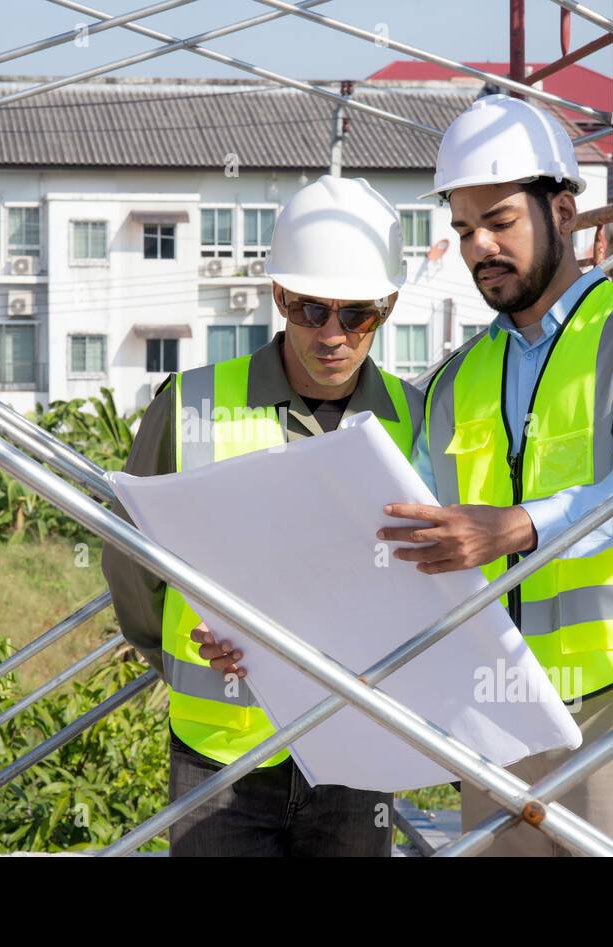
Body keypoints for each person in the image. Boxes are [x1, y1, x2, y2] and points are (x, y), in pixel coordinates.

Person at [378, 93, 613, 856]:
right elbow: (411, 537)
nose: (479, 247)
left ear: (563, 212)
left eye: (499, 221)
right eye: (465, 229)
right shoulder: (454, 380)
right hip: (494, 707)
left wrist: (517, 525)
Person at [102, 174, 423, 857]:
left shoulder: (418, 418)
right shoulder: (190, 404)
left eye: (357, 314)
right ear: (279, 296)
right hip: (221, 754)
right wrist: (182, 644)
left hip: (356, 747)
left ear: (388, 307)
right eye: (311, 309)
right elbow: (133, 557)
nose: (333, 335)